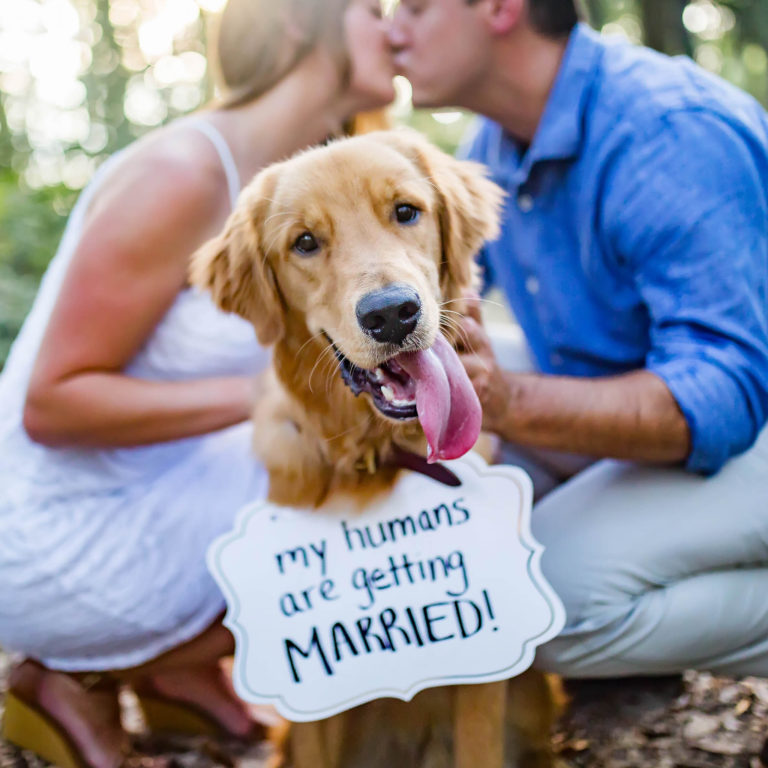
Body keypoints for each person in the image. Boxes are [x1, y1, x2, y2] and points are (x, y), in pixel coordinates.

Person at [0, 1, 395, 766]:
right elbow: (53, 403)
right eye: (375, 10)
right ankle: (78, 673)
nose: (399, 27)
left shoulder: (310, 173)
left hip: (156, 480)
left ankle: (179, 671)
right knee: (381, 494)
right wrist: (277, 401)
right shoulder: (184, 174)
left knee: (397, 446)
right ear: (296, 22)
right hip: (50, 534)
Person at [388, 0, 768, 680]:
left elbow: (727, 393)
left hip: (749, 423)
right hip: (647, 400)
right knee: (460, 529)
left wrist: (510, 403)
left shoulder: (670, 132)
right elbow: (459, 317)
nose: (391, 30)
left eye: (413, 7)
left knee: (536, 608)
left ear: (501, 9)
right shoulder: (494, 144)